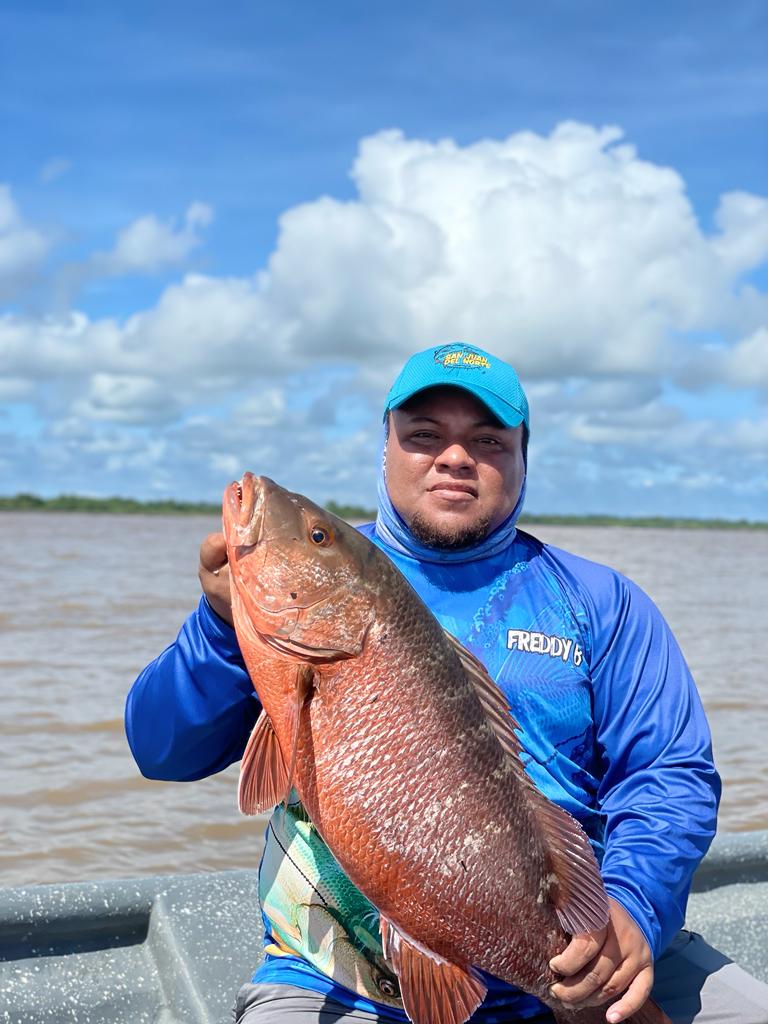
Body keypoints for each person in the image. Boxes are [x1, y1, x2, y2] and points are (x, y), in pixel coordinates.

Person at [126, 343, 768, 1024]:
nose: (455, 456)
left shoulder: (601, 601)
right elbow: (164, 750)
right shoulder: (284, 609)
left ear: (522, 459)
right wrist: (222, 627)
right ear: (386, 448)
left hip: (583, 949)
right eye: (424, 435)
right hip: (336, 978)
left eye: (487, 440)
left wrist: (634, 906)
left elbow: (669, 774)